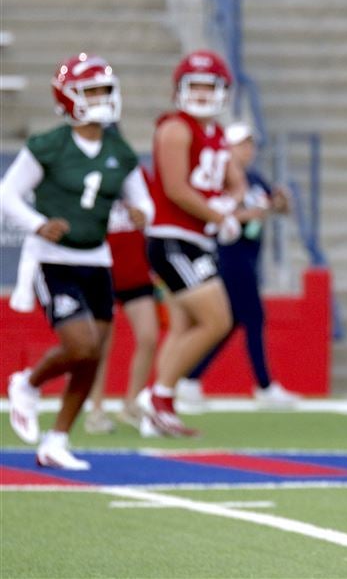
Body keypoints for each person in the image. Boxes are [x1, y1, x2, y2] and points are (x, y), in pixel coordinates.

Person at [1, 53, 152, 469]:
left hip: (98, 260)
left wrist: (143, 214)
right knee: (80, 345)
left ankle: (58, 439)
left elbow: (143, 201)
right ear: (68, 99)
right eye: (92, 91)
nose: (102, 99)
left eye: (105, 90)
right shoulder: (49, 146)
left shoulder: (118, 150)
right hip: (54, 260)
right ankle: (27, 384)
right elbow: (7, 194)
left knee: (93, 354)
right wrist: (37, 224)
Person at [140, 49, 254, 437]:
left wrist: (229, 203)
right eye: (196, 85)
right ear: (180, 90)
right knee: (217, 320)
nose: (203, 93)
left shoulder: (217, 134)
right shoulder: (176, 128)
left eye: (210, 85)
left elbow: (237, 182)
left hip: (196, 241)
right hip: (173, 239)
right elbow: (175, 189)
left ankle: (159, 401)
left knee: (184, 325)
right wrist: (218, 215)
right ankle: (158, 398)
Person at [176, 122, 298, 410]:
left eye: (249, 145)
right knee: (253, 317)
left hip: (249, 254)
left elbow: (274, 208)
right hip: (228, 254)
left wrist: (280, 203)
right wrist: (247, 215)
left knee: (228, 322)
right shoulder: (218, 179)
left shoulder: (254, 178)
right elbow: (211, 216)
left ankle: (190, 380)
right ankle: (264, 386)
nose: (247, 151)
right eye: (241, 145)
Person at [81, 168, 160, 434]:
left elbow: (152, 214)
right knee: (101, 343)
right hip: (101, 268)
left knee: (149, 336)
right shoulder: (88, 175)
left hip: (136, 270)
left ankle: (131, 403)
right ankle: (95, 409)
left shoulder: (137, 176)